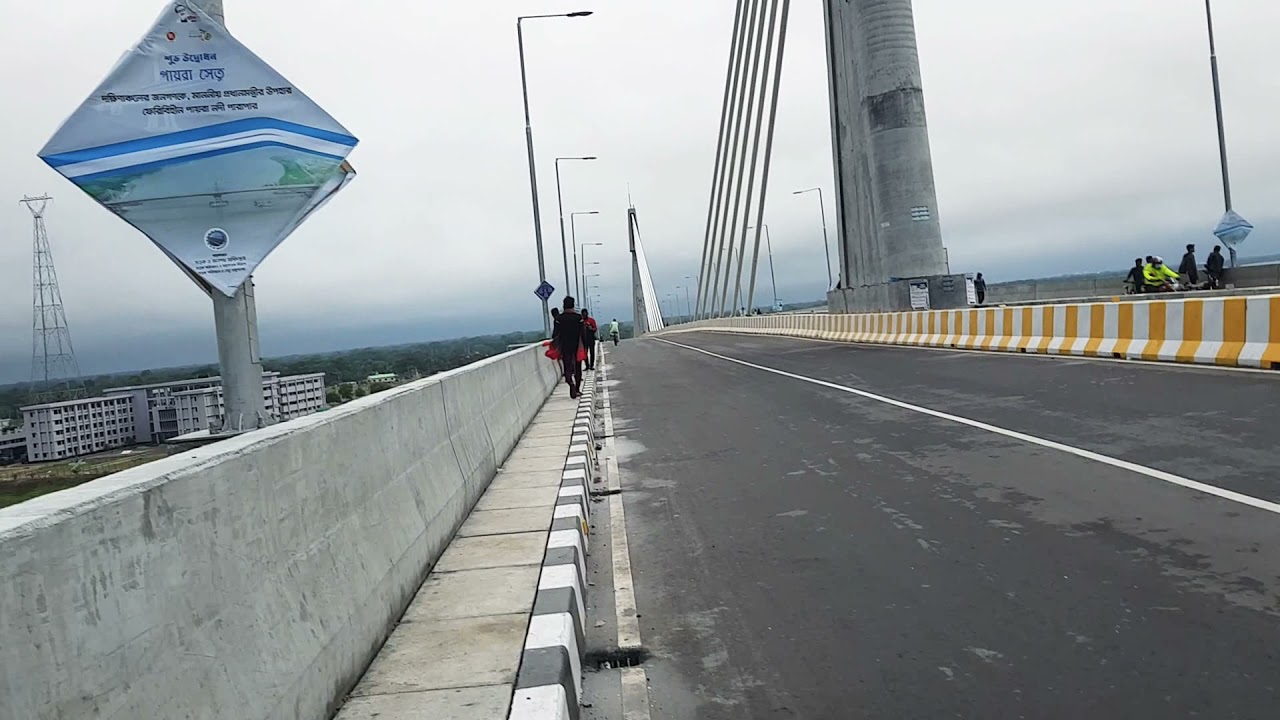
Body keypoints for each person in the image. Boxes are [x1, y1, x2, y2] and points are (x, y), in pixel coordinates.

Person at [556, 297, 585, 398]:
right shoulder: (578, 317)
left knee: (567, 367)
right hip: (577, 345)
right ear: (573, 304)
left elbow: (555, 334)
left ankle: (570, 383)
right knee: (578, 367)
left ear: (564, 305)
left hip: (564, 345)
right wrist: (585, 346)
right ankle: (577, 389)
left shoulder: (559, 319)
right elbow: (583, 333)